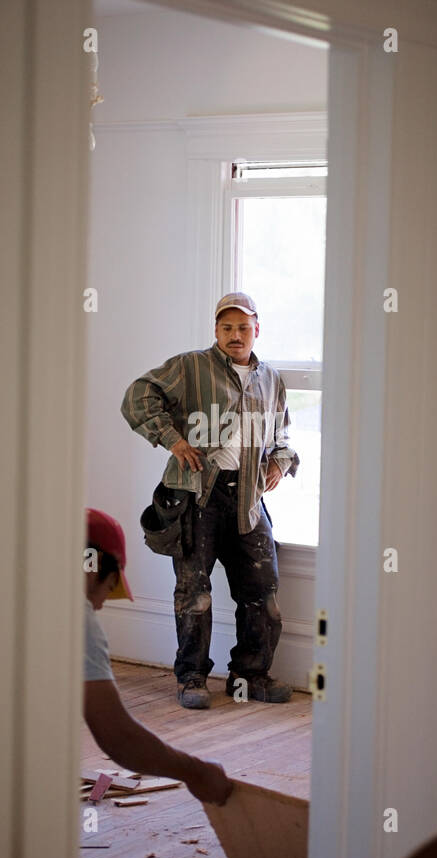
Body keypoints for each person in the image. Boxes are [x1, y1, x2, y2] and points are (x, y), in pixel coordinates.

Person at [121, 292, 299, 709]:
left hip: (248, 500)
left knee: (263, 594)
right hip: (196, 496)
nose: (235, 335)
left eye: (243, 327)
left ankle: (251, 676)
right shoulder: (189, 367)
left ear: (257, 329)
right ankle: (193, 679)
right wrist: (174, 440)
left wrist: (281, 460)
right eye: (227, 328)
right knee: (195, 596)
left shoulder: (271, 379)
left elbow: (283, 434)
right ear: (216, 330)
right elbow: (137, 396)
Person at [82, 507, 232, 805]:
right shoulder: (76, 620)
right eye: (110, 589)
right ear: (95, 565)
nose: (99, 606)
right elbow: (119, 737)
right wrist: (196, 773)